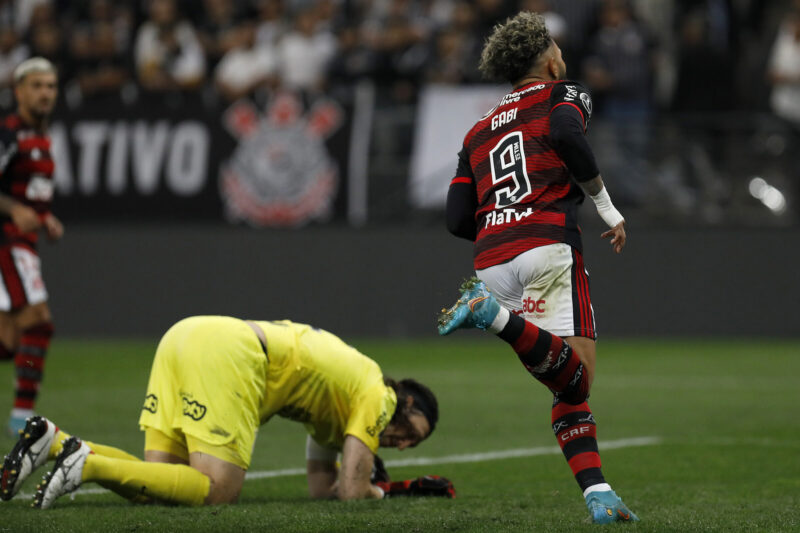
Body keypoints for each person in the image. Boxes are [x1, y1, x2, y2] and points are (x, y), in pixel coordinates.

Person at [439, 12, 637, 525]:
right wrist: (608, 209)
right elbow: (570, 137)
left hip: (491, 259)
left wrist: (500, 226)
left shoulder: (478, 130)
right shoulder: (563, 94)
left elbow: (457, 216)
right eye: (557, 47)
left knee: (566, 384)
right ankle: (494, 317)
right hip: (545, 246)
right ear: (548, 57)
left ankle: (597, 493)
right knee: (580, 378)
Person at [1, 315, 453, 508]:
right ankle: (89, 465)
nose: (409, 443)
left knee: (163, 488)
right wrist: (385, 491)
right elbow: (351, 494)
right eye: (417, 431)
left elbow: (322, 487)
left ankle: (55, 442)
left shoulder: (342, 408)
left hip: (186, 336)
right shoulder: (379, 394)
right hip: (230, 353)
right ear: (407, 402)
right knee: (219, 491)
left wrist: (358, 477)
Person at [0, 57, 63, 436]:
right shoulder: (8, 133)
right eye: (37, 85)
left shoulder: (41, 135)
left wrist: (44, 217)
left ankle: (21, 415)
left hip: (24, 240)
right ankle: (22, 416)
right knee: (38, 321)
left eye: (51, 86)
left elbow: (32, 193)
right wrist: (15, 209)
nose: (45, 93)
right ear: (19, 91)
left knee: (8, 341)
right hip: (7, 241)